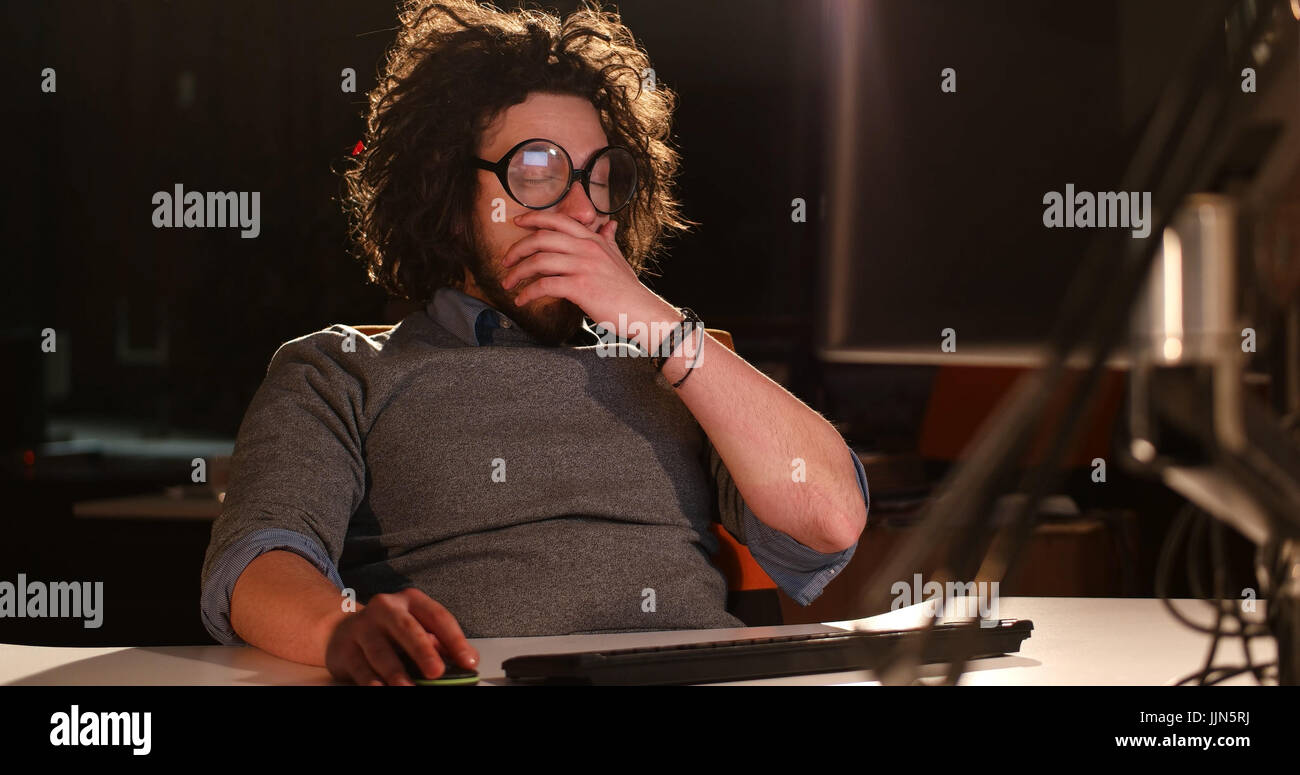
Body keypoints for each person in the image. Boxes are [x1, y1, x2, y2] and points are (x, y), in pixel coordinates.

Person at [200, 0, 868, 686]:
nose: (582, 210)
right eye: (539, 170)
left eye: (599, 175)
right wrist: (340, 629)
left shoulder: (677, 365)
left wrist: (654, 322)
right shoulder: (339, 371)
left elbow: (832, 519)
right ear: (449, 192)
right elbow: (257, 560)